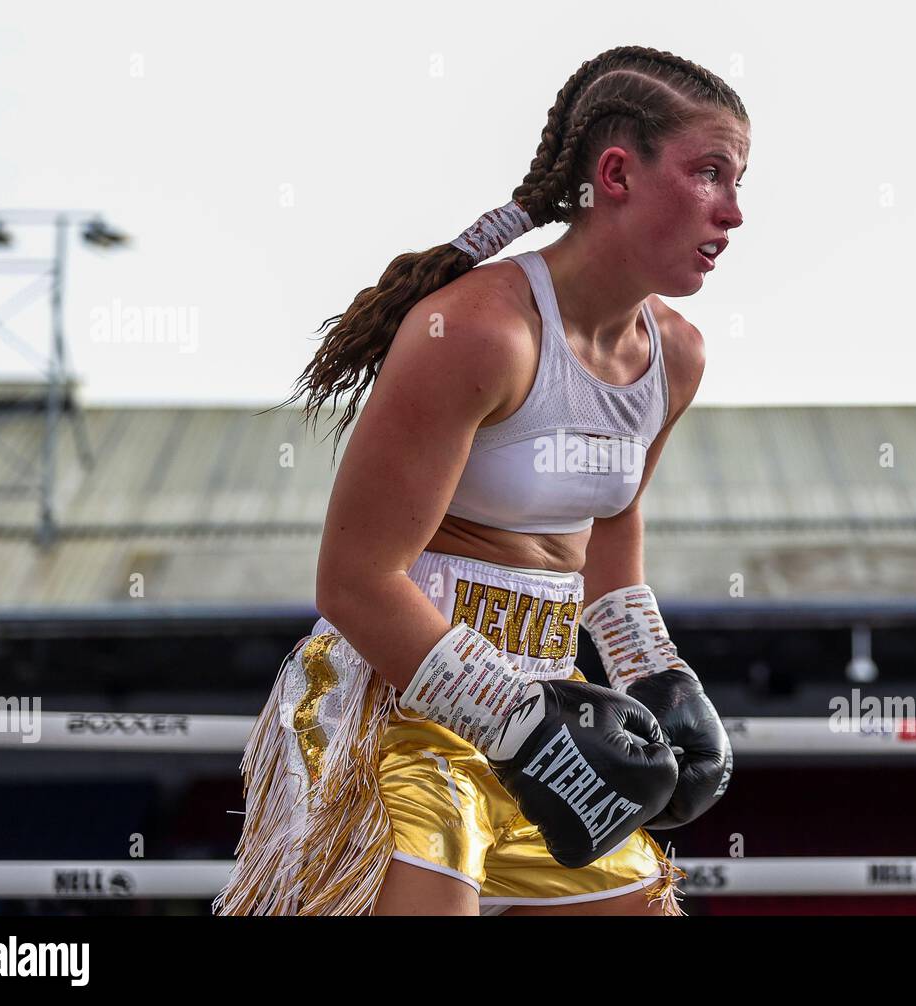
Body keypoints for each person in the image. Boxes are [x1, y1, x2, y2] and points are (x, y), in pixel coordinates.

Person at [214, 44, 749, 917]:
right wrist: (521, 722)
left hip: (542, 701)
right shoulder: (476, 331)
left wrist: (657, 675)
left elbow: (606, 538)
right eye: (711, 173)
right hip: (396, 707)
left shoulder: (675, 357)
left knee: (641, 902)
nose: (734, 210)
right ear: (617, 173)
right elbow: (354, 580)